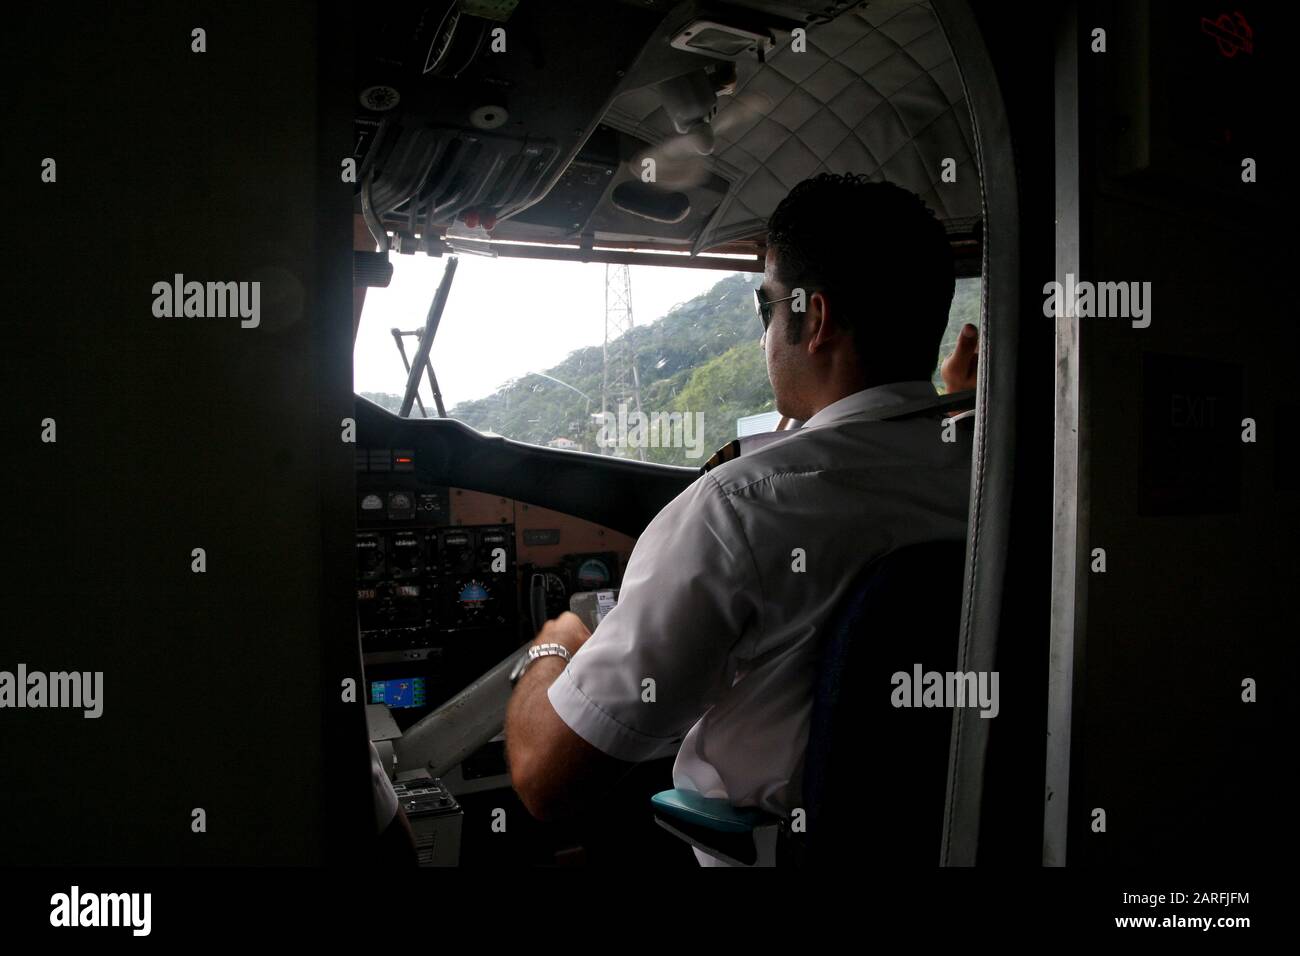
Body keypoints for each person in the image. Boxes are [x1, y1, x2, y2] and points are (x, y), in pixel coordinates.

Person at [505, 173, 979, 864]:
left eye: (767, 310)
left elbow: (546, 780)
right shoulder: (1005, 471)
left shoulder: (740, 507)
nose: (765, 341)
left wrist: (555, 644)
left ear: (813, 320)